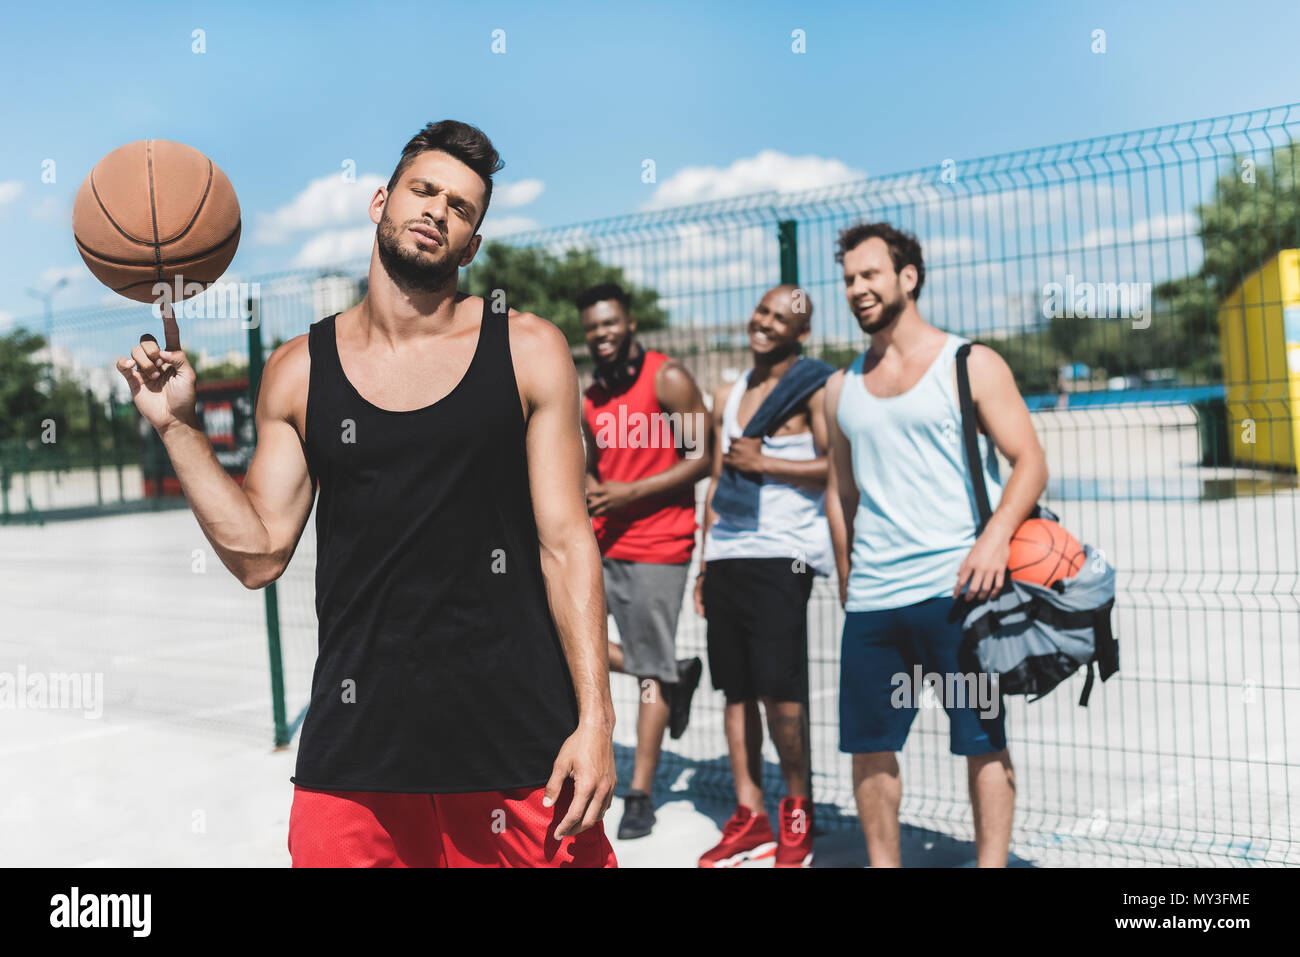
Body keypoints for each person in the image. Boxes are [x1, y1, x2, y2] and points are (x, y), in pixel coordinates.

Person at [116, 120, 618, 867]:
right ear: (382, 200)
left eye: (461, 207)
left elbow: (565, 541)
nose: (438, 210)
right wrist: (180, 427)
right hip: (359, 756)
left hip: (519, 743)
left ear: (472, 244)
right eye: (423, 190)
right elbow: (259, 554)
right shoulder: (299, 371)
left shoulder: (528, 349)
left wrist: (597, 719)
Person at [822, 222, 1049, 868]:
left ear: (907, 277)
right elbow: (841, 495)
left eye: (870, 274)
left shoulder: (969, 362)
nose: (857, 289)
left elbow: (1029, 459)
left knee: (982, 740)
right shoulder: (840, 389)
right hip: (873, 601)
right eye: (847, 280)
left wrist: (994, 539)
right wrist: (846, 574)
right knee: (869, 747)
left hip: (959, 593)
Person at [695, 284, 833, 868]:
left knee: (782, 692)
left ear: (800, 334)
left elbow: (834, 468)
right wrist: (703, 565)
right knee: (735, 691)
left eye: (782, 318)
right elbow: (718, 481)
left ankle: (797, 810)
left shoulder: (816, 388)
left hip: (783, 554)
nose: (767, 323)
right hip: (727, 554)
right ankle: (749, 814)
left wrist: (767, 462)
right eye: (763, 311)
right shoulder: (730, 393)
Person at [579, 282, 710, 840]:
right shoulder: (592, 397)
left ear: (629, 323)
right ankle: (668, 672)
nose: (601, 334)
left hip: (660, 543)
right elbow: (588, 462)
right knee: (566, 638)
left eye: (610, 323)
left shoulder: (668, 378)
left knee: (647, 683)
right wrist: (590, 487)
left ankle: (640, 794)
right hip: (601, 541)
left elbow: (703, 457)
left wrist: (630, 494)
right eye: (592, 328)